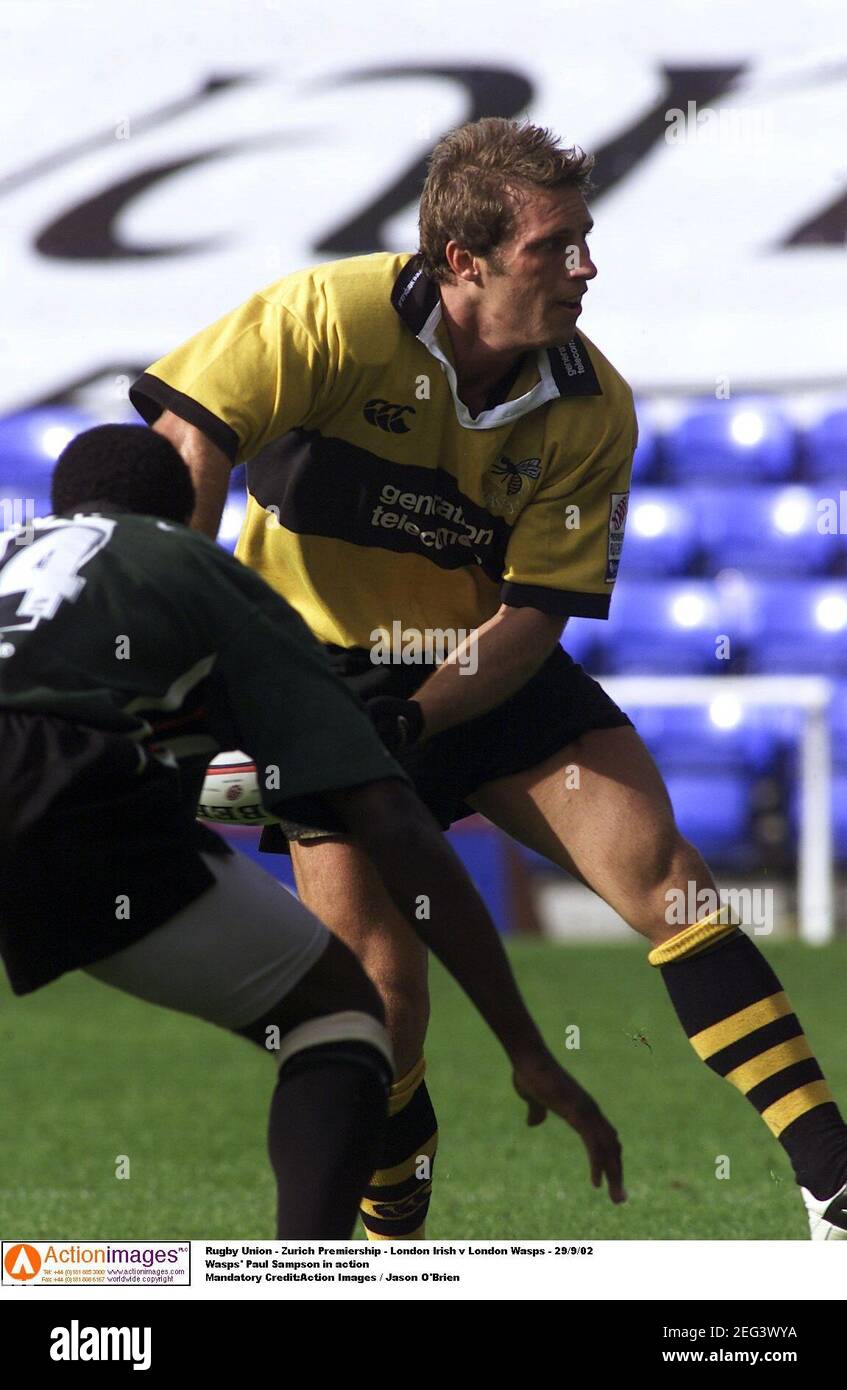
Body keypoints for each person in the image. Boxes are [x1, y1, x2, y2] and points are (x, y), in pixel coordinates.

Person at [130, 117, 847, 1241]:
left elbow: (532, 619)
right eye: (553, 247)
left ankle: (833, 1181)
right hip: (323, 681)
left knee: (672, 883)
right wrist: (183, 636)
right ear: (462, 260)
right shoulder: (324, 317)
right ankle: (389, 1207)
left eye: (586, 241)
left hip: (481, 678)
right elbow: (190, 440)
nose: (584, 268)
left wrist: (416, 711)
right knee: (381, 1007)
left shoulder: (591, 404)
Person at [0, 423, 624, 1240]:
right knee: (335, 1018)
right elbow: (386, 814)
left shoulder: (14, 550)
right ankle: (305, 1283)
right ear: (188, 503)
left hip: (50, 771)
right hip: (58, 787)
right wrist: (524, 1045)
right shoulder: (199, 569)